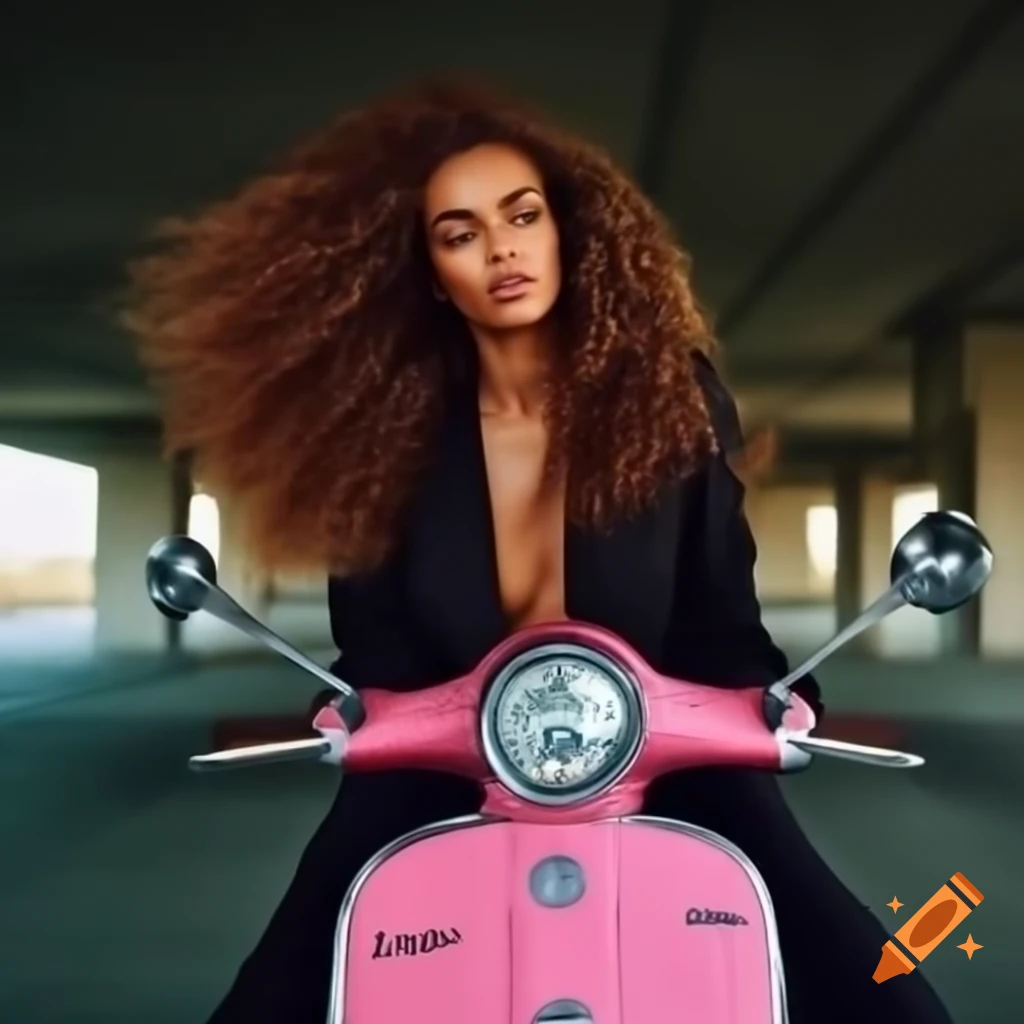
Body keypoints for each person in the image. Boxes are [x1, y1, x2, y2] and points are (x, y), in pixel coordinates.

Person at [123, 80, 954, 1024]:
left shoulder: (671, 400)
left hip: (656, 741)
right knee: (273, 996)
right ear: (434, 274)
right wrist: (344, 711)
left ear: (568, 233)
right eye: (460, 231)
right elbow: (376, 647)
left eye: (522, 215)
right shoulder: (383, 435)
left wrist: (782, 699)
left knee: (883, 996)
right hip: (451, 750)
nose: (502, 247)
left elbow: (720, 614)